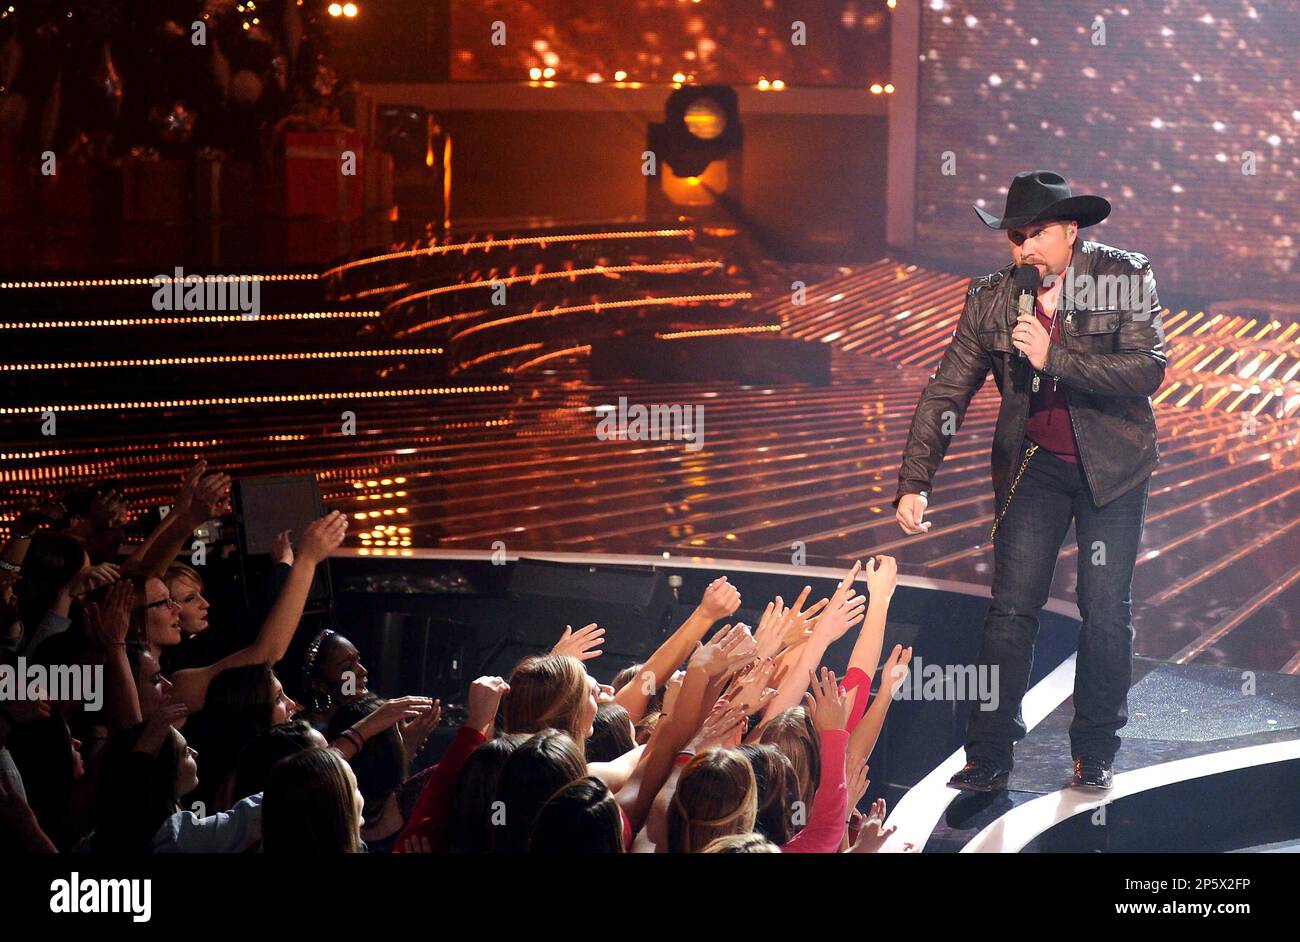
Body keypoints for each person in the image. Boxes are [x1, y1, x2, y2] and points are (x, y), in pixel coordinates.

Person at [894, 170, 1165, 791]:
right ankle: (988, 755)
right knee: (1010, 611)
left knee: (1103, 613)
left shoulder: (1122, 277)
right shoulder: (992, 298)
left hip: (1114, 467)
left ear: (1072, 231)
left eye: (1037, 233)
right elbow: (947, 390)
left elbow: (1148, 369)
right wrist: (916, 479)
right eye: (1016, 237)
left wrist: (1054, 357)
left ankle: (1094, 750)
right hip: (1035, 465)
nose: (1026, 249)